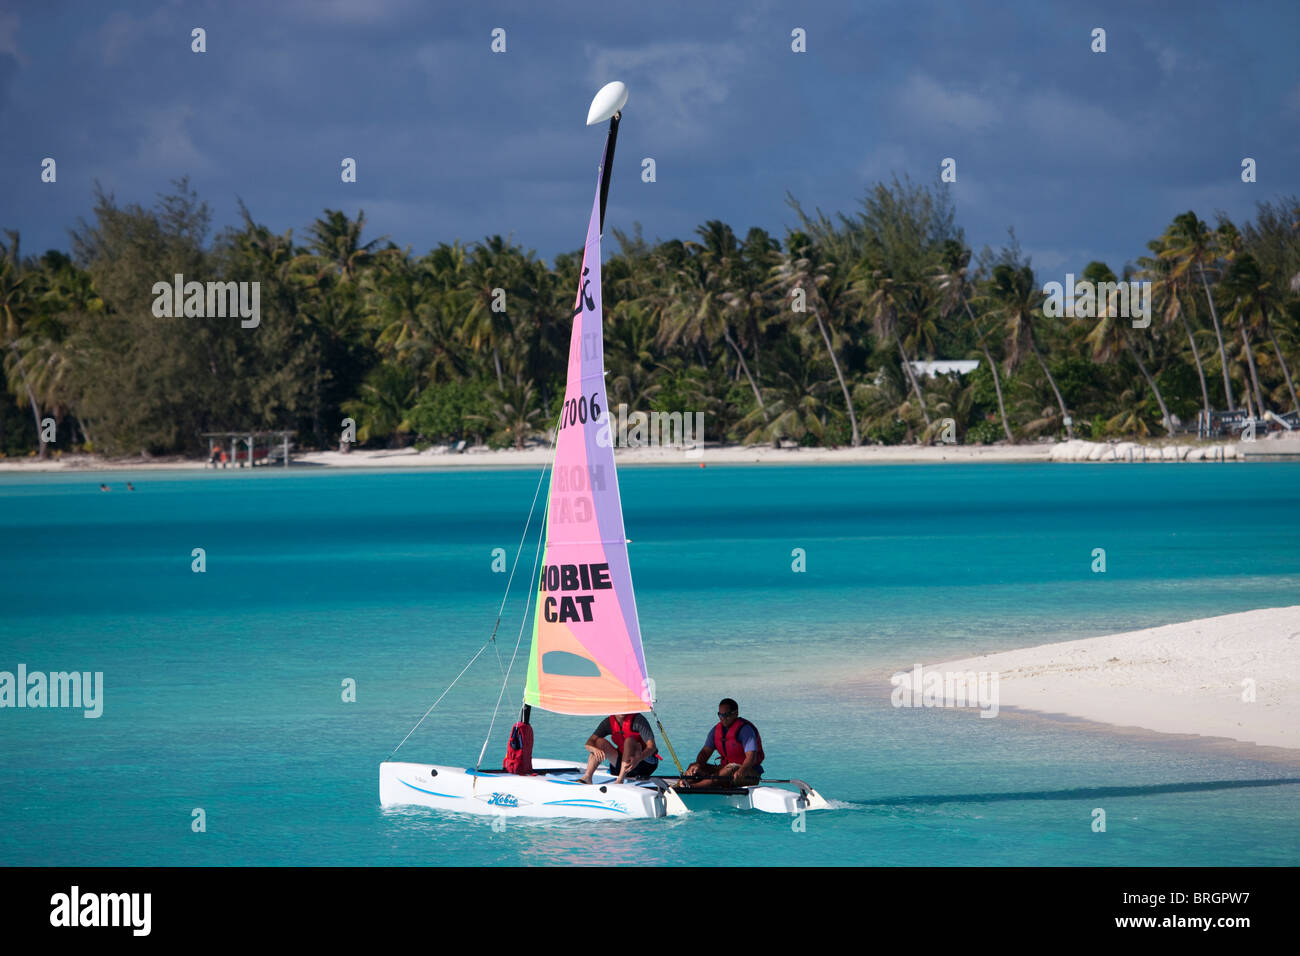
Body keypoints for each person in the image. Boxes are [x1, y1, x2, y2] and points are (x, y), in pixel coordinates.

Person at [682, 698, 764, 789]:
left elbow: (751, 757)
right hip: (725, 770)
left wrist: (742, 770)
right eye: (720, 715)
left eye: (727, 715)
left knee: (729, 769)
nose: (723, 718)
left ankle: (693, 787)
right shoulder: (716, 731)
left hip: (748, 773)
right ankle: (682, 784)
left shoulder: (745, 730)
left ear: (736, 713)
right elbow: (705, 753)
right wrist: (697, 765)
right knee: (693, 766)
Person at [577, 712, 659, 785]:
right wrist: (595, 749)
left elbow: (652, 747)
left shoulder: (638, 720)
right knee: (599, 742)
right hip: (623, 765)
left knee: (629, 741)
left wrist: (639, 758)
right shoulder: (608, 722)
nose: (622, 710)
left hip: (644, 764)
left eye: (624, 708)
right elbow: (589, 743)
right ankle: (587, 777)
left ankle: (620, 780)